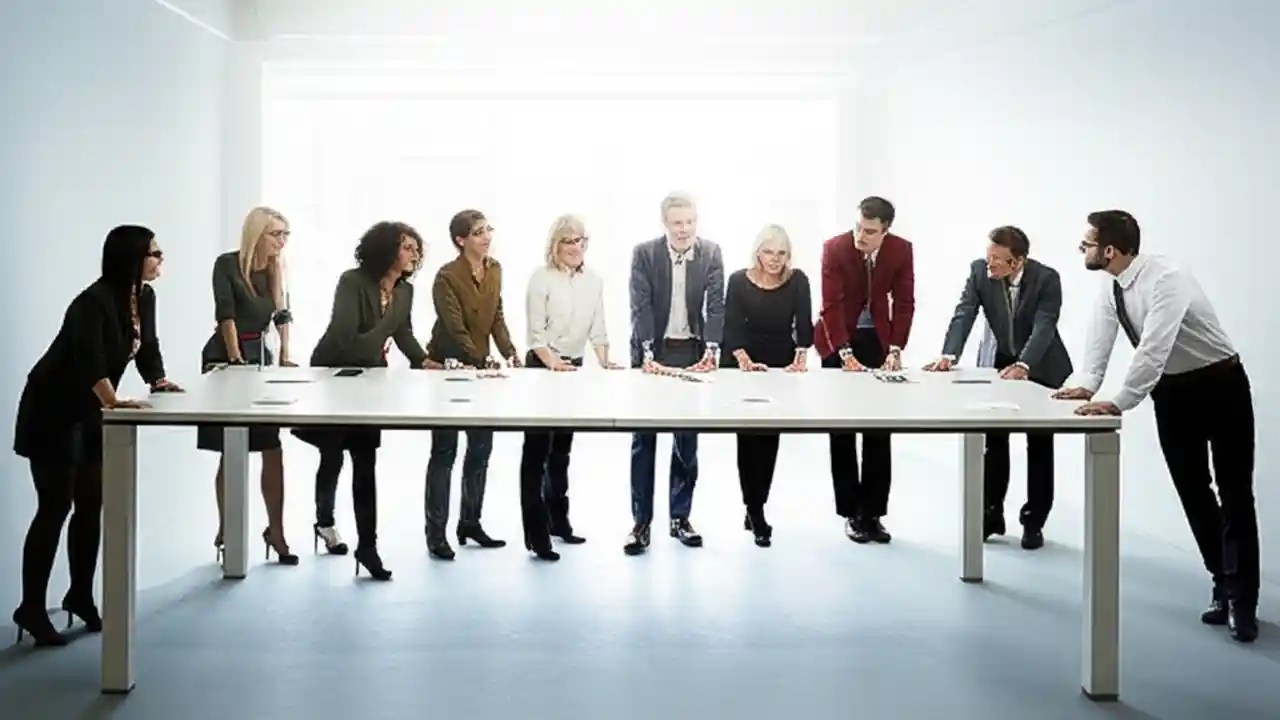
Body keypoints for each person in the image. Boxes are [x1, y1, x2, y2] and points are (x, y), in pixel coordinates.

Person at [1054, 209, 1259, 642]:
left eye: (1086, 243)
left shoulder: (1167, 278)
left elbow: (1154, 349)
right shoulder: (1111, 287)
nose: (1082, 249)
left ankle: (1244, 600)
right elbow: (1100, 340)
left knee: (1235, 490)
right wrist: (1087, 386)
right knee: (1192, 489)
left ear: (1109, 250)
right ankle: (1223, 581)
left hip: (1220, 383)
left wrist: (1119, 401)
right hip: (1172, 394)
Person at [12, 225, 182, 646]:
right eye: (155, 253)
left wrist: (158, 380)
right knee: (56, 506)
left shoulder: (143, 296)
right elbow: (87, 358)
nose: (161, 260)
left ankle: (80, 596)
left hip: (89, 410)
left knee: (91, 503)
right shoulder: (92, 301)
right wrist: (112, 400)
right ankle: (31, 607)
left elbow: (147, 346)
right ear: (132, 257)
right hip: (53, 409)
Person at [292, 221, 435, 581]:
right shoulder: (352, 281)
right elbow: (345, 340)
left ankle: (367, 547)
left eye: (416, 249)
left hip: (370, 380)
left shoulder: (405, 291)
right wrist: (387, 329)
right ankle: (324, 522)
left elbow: (404, 334)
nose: (413, 255)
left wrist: (426, 361)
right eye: (407, 247)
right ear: (386, 250)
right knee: (332, 452)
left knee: (365, 461)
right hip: (333, 377)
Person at [923, 226, 1072, 550]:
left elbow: (1045, 326)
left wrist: (1025, 365)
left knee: (1040, 445)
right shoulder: (979, 271)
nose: (989, 264)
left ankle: (1034, 522)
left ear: (1017, 262)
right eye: (988, 256)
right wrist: (949, 354)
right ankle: (991, 515)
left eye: (997, 260)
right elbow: (965, 313)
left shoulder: (1047, 279)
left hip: (1042, 364)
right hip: (1001, 360)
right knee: (994, 440)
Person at [199, 207, 303, 567]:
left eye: (285, 234)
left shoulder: (276, 268)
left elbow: (282, 314)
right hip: (227, 357)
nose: (282, 241)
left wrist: (286, 354)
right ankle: (227, 528)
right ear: (257, 234)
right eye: (276, 233)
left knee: (271, 446)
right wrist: (234, 359)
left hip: (260, 357)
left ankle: (276, 531)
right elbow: (225, 315)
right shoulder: (227, 265)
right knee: (232, 447)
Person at [624, 191, 724, 555]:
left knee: (687, 439)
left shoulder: (711, 252)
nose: (684, 230)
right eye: (677, 223)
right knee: (644, 439)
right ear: (665, 224)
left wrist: (712, 349)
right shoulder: (645, 253)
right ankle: (641, 523)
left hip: (691, 351)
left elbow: (716, 305)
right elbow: (641, 305)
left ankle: (680, 518)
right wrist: (648, 353)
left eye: (690, 222)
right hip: (654, 349)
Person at [519, 214, 623, 561]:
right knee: (536, 454)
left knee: (561, 453)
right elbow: (535, 335)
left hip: (573, 369)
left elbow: (598, 325)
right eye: (569, 241)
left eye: (581, 241)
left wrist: (605, 359)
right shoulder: (541, 278)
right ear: (555, 245)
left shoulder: (593, 280)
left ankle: (558, 522)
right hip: (542, 368)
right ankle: (536, 535)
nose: (576, 247)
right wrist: (553, 364)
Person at [813, 196, 915, 544]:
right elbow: (830, 304)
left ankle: (873, 514)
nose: (861, 235)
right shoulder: (835, 248)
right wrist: (843, 353)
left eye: (870, 231)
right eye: (858, 227)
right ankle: (851, 512)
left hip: (878, 340)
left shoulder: (901, 250)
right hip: (836, 337)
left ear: (886, 231)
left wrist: (896, 347)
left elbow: (904, 302)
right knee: (842, 429)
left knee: (878, 428)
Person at [423, 209, 519, 559]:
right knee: (444, 452)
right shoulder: (446, 276)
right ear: (461, 240)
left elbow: (496, 315)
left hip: (482, 370)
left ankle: (470, 522)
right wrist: (477, 359)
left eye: (488, 229)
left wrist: (510, 351)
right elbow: (452, 326)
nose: (486, 236)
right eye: (478, 232)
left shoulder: (495, 269)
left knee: (480, 449)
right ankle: (436, 534)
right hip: (449, 368)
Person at [721, 224, 813, 547]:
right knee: (748, 439)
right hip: (745, 365)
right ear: (757, 252)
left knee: (769, 439)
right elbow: (730, 325)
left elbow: (804, 324)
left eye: (782, 253)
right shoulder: (738, 280)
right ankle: (754, 509)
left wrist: (800, 356)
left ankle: (756, 505)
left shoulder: (797, 280)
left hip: (779, 365)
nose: (775, 260)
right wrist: (744, 359)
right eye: (769, 252)